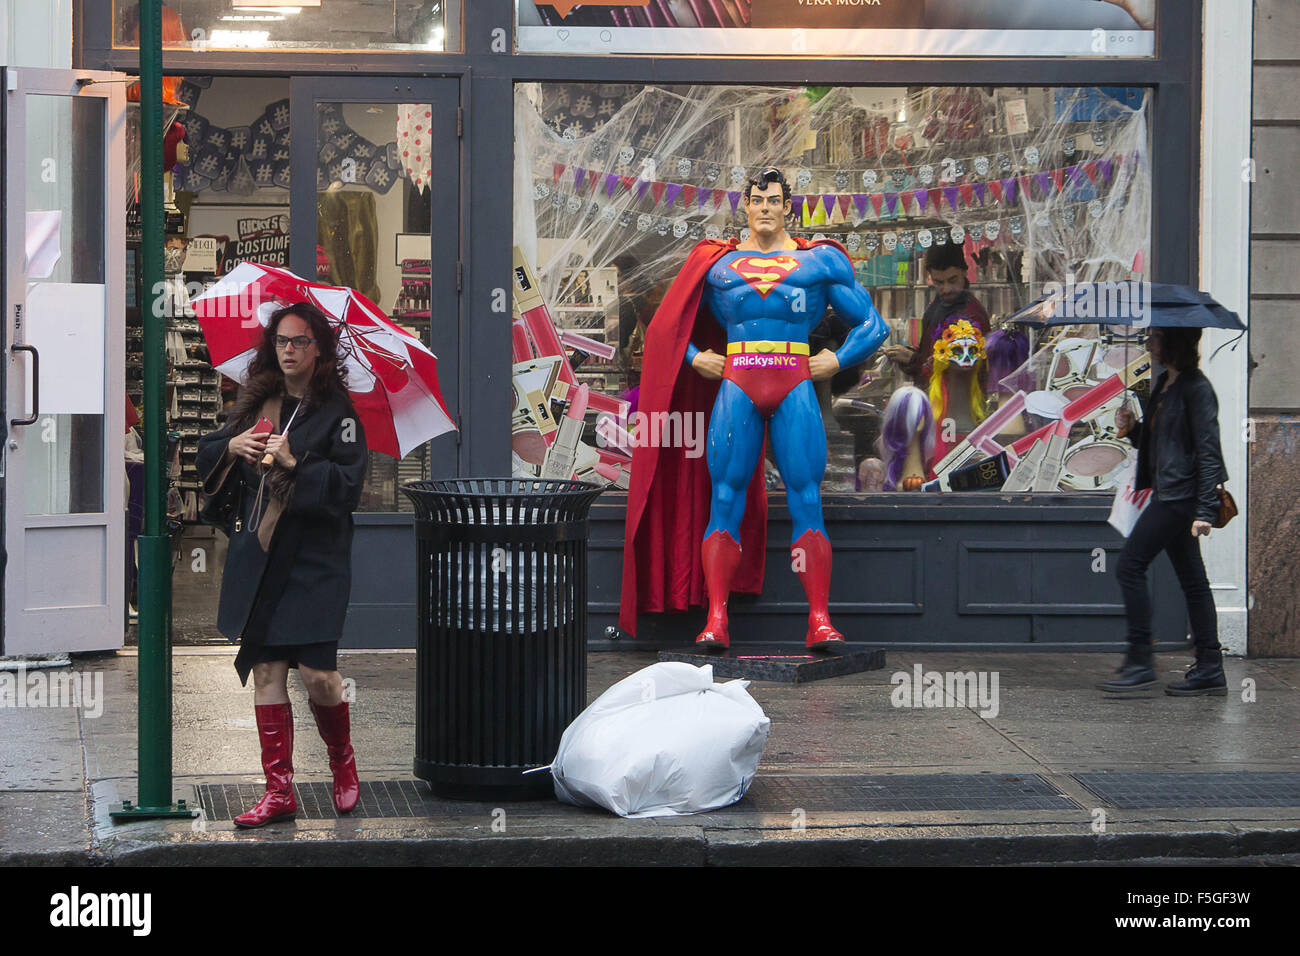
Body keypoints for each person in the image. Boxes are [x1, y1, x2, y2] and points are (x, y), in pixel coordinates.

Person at [619, 167, 888, 651]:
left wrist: (838, 358)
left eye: (774, 200)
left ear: (788, 206)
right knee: (725, 498)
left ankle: (819, 619)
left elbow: (872, 325)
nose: (766, 207)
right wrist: (696, 357)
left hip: (794, 383)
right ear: (745, 204)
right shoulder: (716, 266)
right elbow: (664, 326)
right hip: (738, 384)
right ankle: (716, 618)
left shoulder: (820, 264)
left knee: (807, 497)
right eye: (758, 199)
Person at [196, 302, 369, 827]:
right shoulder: (257, 402)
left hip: (316, 559)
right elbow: (210, 457)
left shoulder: (339, 412)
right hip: (264, 557)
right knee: (268, 669)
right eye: (282, 342)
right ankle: (279, 792)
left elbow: (349, 489)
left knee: (319, 676)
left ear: (319, 349)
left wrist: (299, 464)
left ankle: (342, 759)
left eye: (299, 342)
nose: (289, 351)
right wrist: (234, 443)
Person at [1099, 326, 1229, 696]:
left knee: (1130, 565)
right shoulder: (1165, 384)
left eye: (1155, 337)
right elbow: (1161, 446)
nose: (1149, 342)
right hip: (1169, 493)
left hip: (1181, 499)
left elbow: (1208, 452)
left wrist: (1204, 510)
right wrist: (1133, 429)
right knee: (1193, 581)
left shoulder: (1196, 388)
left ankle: (1140, 661)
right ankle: (1209, 667)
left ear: (1174, 341)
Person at [881, 240, 989, 390]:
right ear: (930, 276)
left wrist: (913, 359)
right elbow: (932, 352)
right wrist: (912, 355)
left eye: (952, 280)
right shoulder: (937, 305)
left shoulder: (971, 315)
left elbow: (959, 370)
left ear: (964, 272)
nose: (946, 289)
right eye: (938, 282)